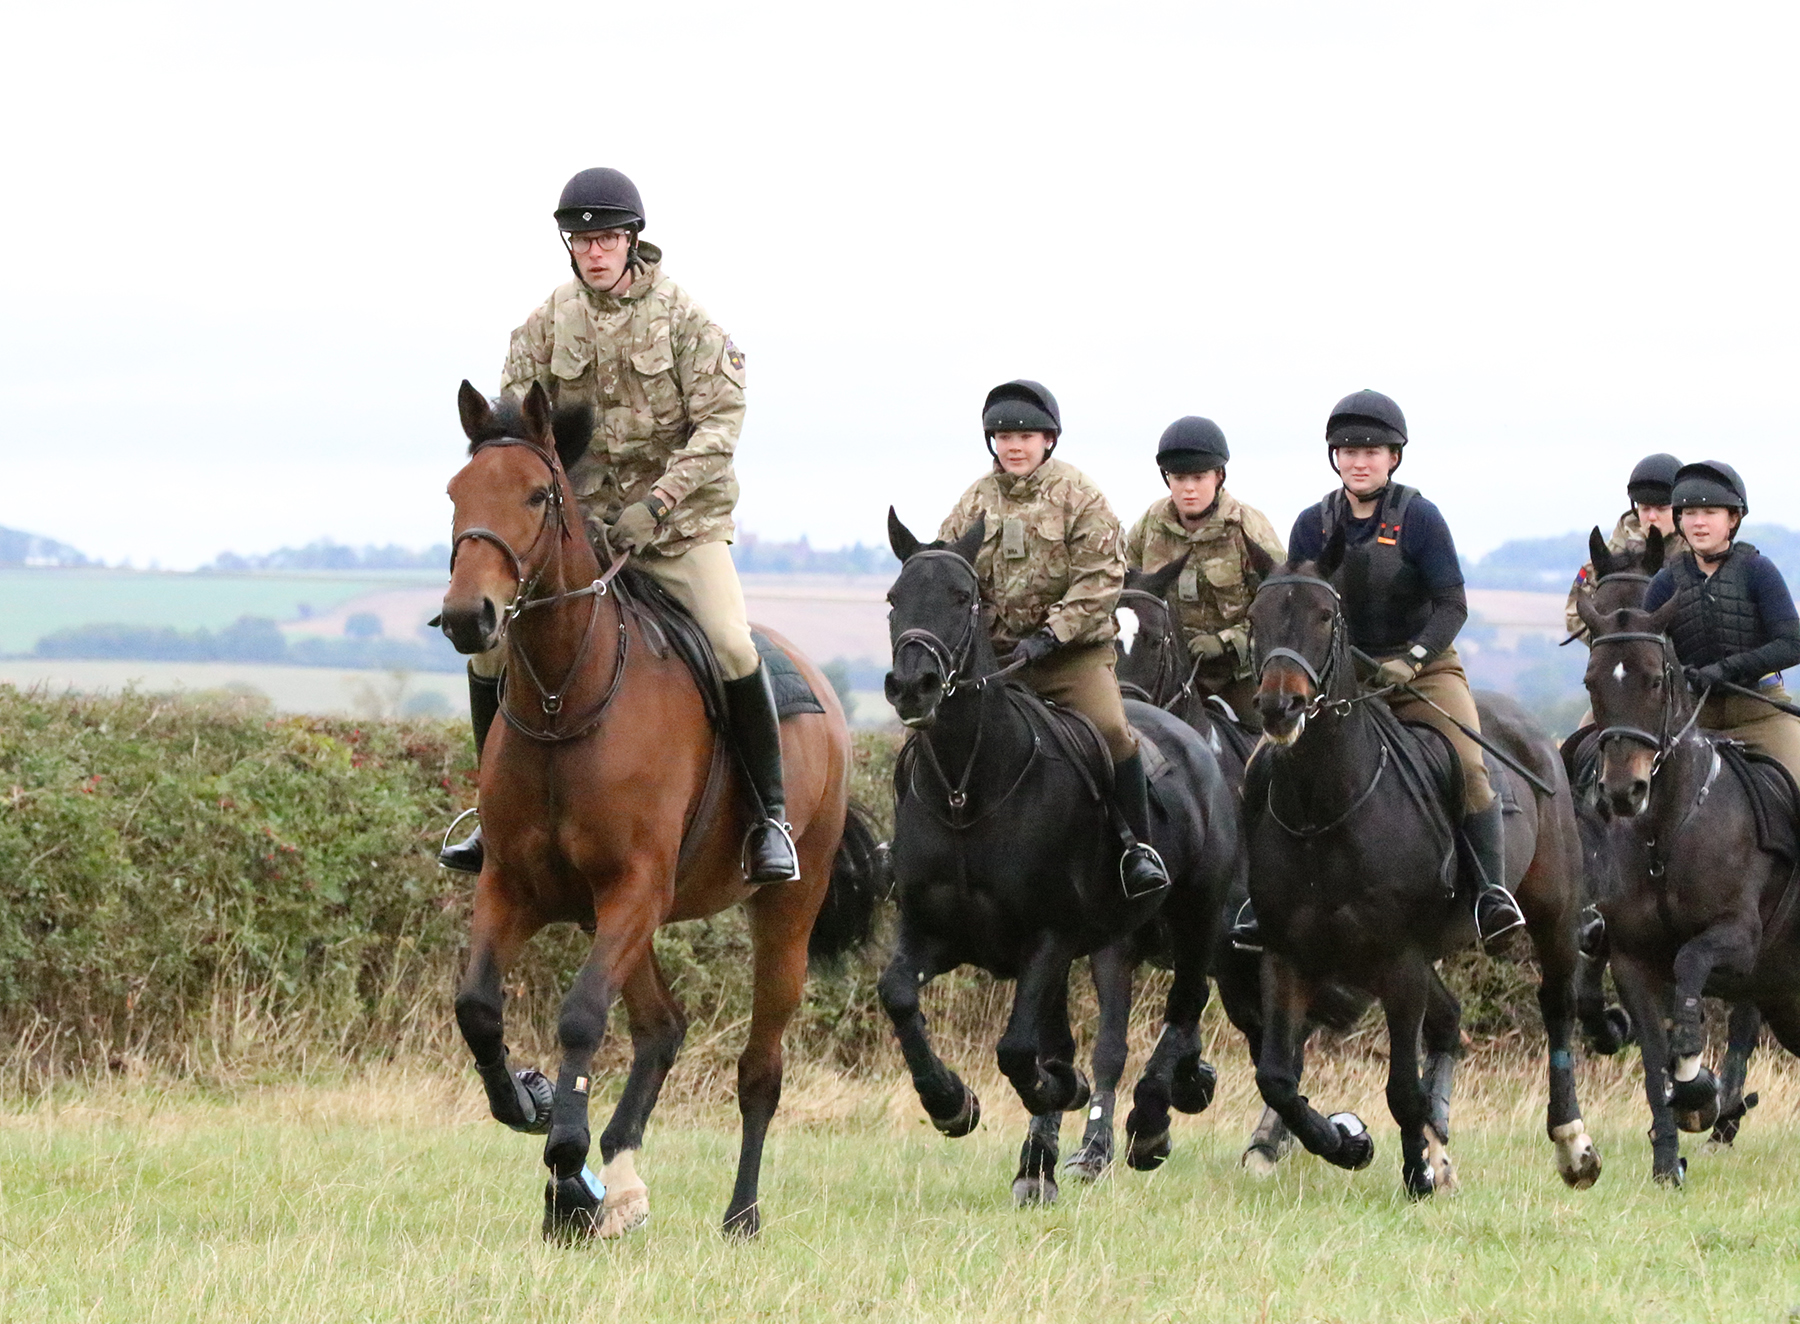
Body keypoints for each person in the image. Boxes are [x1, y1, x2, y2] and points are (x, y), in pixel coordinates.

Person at [440, 167, 798, 884]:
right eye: (580, 239)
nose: (593, 251)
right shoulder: (544, 324)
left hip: (679, 528)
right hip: (577, 529)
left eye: (605, 237)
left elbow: (719, 426)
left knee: (729, 642)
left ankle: (771, 820)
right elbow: (515, 429)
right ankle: (491, 814)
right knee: (488, 652)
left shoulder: (689, 324)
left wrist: (658, 504)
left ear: (632, 240)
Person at [1233, 388, 1525, 949]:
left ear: (1393, 457)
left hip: (1423, 667)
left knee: (1467, 764)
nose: (1359, 461)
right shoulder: (1310, 524)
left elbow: (1452, 604)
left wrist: (1412, 659)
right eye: (1347, 451)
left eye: (1371, 451)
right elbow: (1295, 610)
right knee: (1259, 770)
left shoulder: (1419, 518)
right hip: (1336, 676)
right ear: (1334, 458)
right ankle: (1259, 898)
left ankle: (1490, 895)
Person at [937, 379, 1169, 896]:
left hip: (1070, 659)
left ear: (1049, 440)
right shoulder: (973, 500)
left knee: (1112, 731)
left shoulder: (1080, 495)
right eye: (1001, 435)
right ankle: (908, 851)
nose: (1013, 445)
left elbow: (1103, 577)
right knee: (928, 734)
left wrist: (1050, 635)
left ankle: (1138, 850)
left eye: (1026, 435)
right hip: (993, 661)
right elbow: (950, 572)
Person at [1643, 461, 1800, 783]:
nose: (1699, 523)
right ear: (1679, 521)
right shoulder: (1664, 582)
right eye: (1689, 514)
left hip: (1761, 711)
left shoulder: (1758, 570)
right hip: (1691, 717)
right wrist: (1674, 669)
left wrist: (1728, 669)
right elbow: (1642, 650)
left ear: (1732, 519)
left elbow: (1793, 643)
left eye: (1710, 513)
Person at [1122, 416, 1285, 725]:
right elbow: (1125, 590)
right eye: (1179, 478)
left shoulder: (1248, 528)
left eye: (1198, 478)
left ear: (1218, 477)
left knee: (1270, 735)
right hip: (1169, 669)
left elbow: (1280, 611)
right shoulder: (1149, 525)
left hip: (1237, 673)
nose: (1189, 489)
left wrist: (1224, 642)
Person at [1563, 452, 1687, 641]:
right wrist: (1617, 639)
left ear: (1678, 509)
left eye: (1662, 509)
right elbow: (1574, 615)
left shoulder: (1697, 554)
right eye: (1645, 508)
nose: (1652, 517)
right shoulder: (1608, 558)